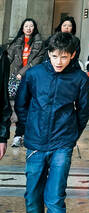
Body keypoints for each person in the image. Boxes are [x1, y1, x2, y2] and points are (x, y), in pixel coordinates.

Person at [16, 31, 89, 213]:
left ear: (72, 56)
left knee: (55, 199)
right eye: (54, 55)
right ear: (49, 53)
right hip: (36, 143)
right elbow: (22, 104)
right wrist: (29, 129)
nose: (59, 61)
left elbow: (83, 111)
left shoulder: (79, 79)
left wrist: (70, 137)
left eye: (64, 56)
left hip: (62, 144)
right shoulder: (35, 75)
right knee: (31, 196)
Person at [6, 18, 46, 147]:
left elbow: (36, 62)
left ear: (35, 28)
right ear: (22, 28)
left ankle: (26, 134)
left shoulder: (40, 43)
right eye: (26, 26)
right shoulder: (16, 42)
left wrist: (21, 73)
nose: (28, 28)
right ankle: (18, 135)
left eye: (31, 26)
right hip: (15, 79)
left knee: (28, 107)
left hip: (31, 79)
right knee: (18, 107)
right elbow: (8, 59)